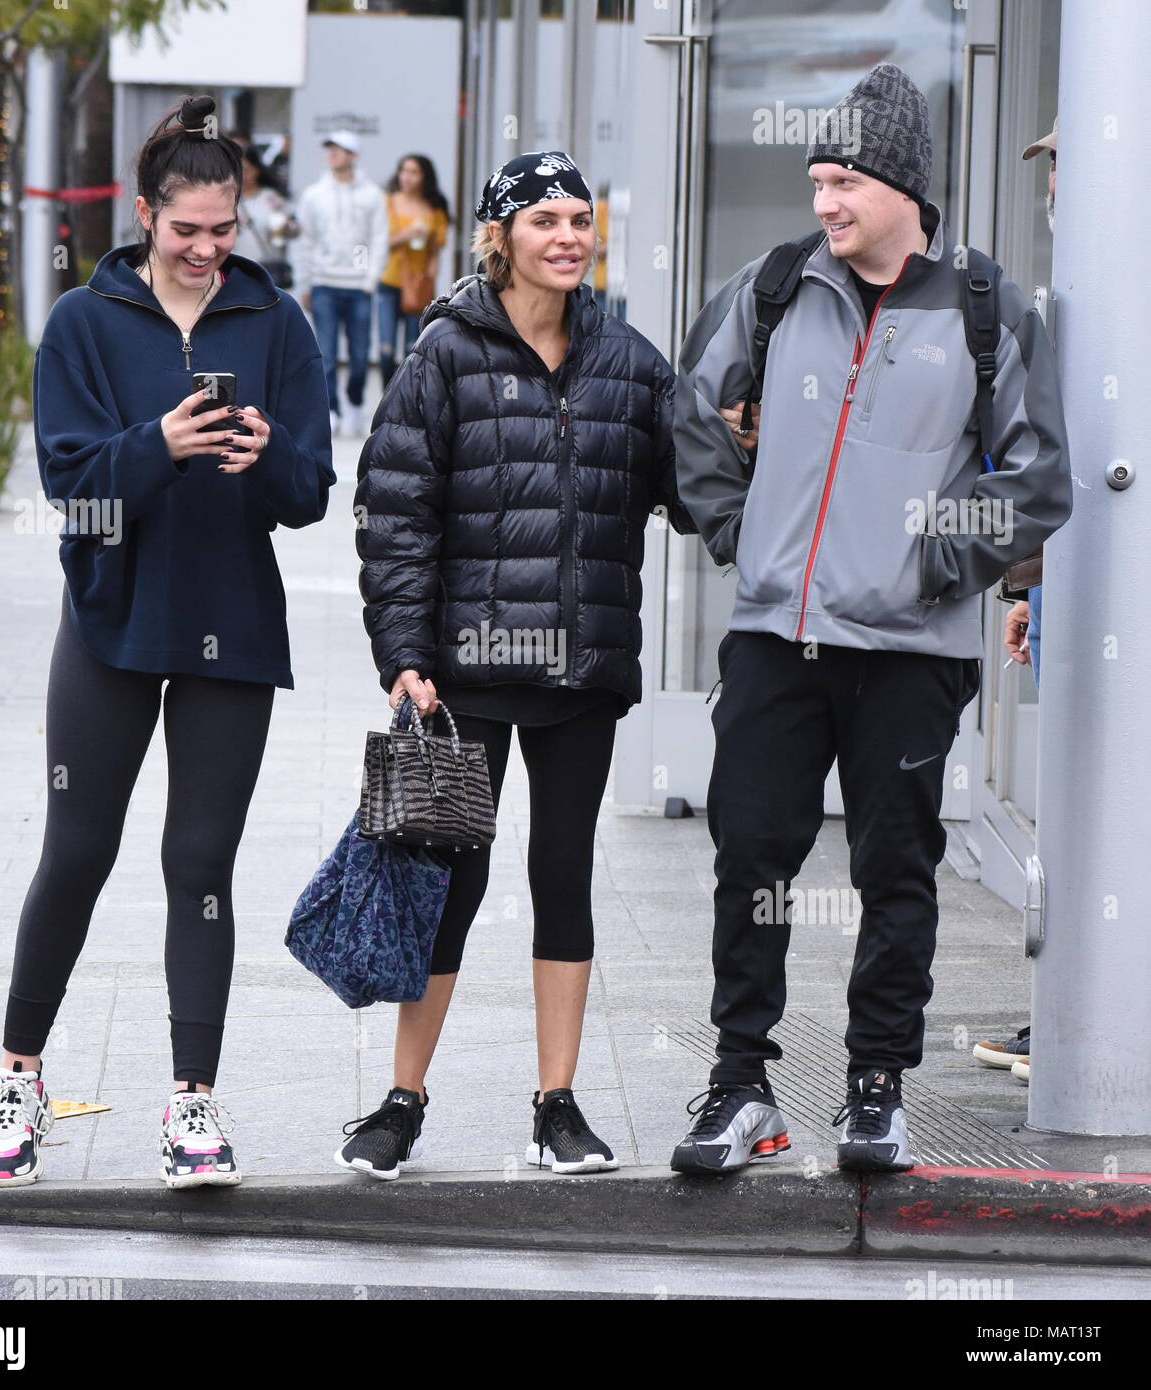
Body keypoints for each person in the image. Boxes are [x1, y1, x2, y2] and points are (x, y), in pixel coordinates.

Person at [671, 64, 1072, 1175]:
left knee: (895, 869)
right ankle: (740, 1084)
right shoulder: (771, 286)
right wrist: (735, 533)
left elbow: (1038, 478)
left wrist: (936, 557)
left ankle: (874, 1087)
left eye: (842, 179)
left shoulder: (985, 306)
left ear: (901, 185)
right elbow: (693, 410)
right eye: (816, 180)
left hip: (909, 652)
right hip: (773, 638)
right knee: (749, 853)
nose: (824, 202)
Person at [0, 94, 335, 1191]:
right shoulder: (85, 321)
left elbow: (309, 492)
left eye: (225, 231)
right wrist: (155, 444)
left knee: (200, 868)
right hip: (111, 624)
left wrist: (260, 454)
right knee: (76, 853)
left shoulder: (279, 325)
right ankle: (18, 1075)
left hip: (233, 626)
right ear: (145, 215)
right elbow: (70, 488)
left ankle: (192, 1102)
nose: (208, 251)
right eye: (187, 232)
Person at [344, 149, 695, 1181]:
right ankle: (402, 1101)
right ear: (499, 236)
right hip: (469, 670)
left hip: (581, 669)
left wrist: (744, 438)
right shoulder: (443, 356)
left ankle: (557, 1104)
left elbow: (689, 490)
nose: (567, 237)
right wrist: (403, 653)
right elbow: (394, 512)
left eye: (580, 219)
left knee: (563, 875)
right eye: (544, 219)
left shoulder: (630, 362)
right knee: (449, 880)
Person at [976, 115, 1060, 1087]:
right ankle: (1078, 997)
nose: (1053, 187)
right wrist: (1029, 587)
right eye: (1051, 169)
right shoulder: (1068, 292)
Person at [296, 130, 389, 438]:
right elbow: (305, 241)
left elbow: (379, 237)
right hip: (324, 283)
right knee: (326, 353)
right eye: (330, 149)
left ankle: (355, 402)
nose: (333, 154)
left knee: (361, 356)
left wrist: (370, 280)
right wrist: (306, 283)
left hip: (359, 287)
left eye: (340, 149)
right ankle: (332, 409)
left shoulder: (371, 194)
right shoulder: (314, 195)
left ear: (354, 155)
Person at [377, 153, 449, 386]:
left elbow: (438, 243)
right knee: (386, 348)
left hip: (418, 284)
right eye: (404, 171)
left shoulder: (434, 207)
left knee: (413, 347)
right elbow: (379, 240)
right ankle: (386, 395)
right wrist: (406, 235)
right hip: (390, 280)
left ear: (424, 177)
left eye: (413, 172)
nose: (407, 177)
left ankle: (406, 395)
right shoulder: (387, 202)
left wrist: (433, 256)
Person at [235, 144, 300, 288]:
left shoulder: (270, 198)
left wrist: (285, 227)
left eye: (247, 170)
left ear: (257, 169)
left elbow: (295, 230)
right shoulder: (225, 200)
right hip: (234, 273)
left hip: (267, 273)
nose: (243, 175)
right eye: (237, 170)